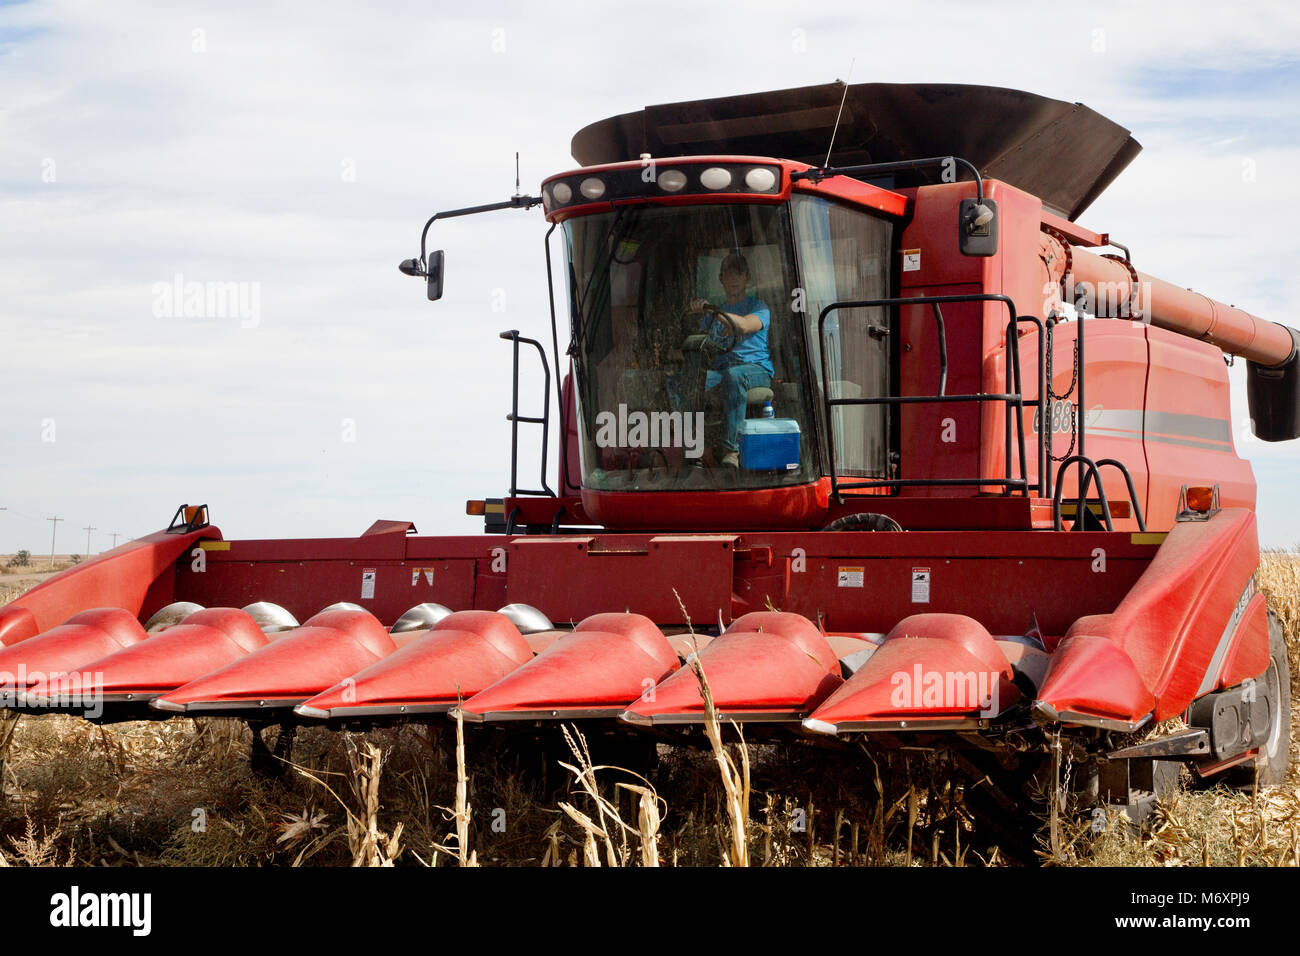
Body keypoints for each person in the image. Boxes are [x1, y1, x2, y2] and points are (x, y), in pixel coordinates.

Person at [686, 253, 773, 468]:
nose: (733, 278)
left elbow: (743, 325)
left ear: (747, 278)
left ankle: (731, 450)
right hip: (722, 369)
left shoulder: (759, 307)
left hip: (755, 370)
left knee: (734, 375)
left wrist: (714, 311)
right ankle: (692, 447)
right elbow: (703, 345)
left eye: (738, 273)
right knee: (689, 379)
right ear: (720, 279)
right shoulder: (712, 316)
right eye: (728, 273)